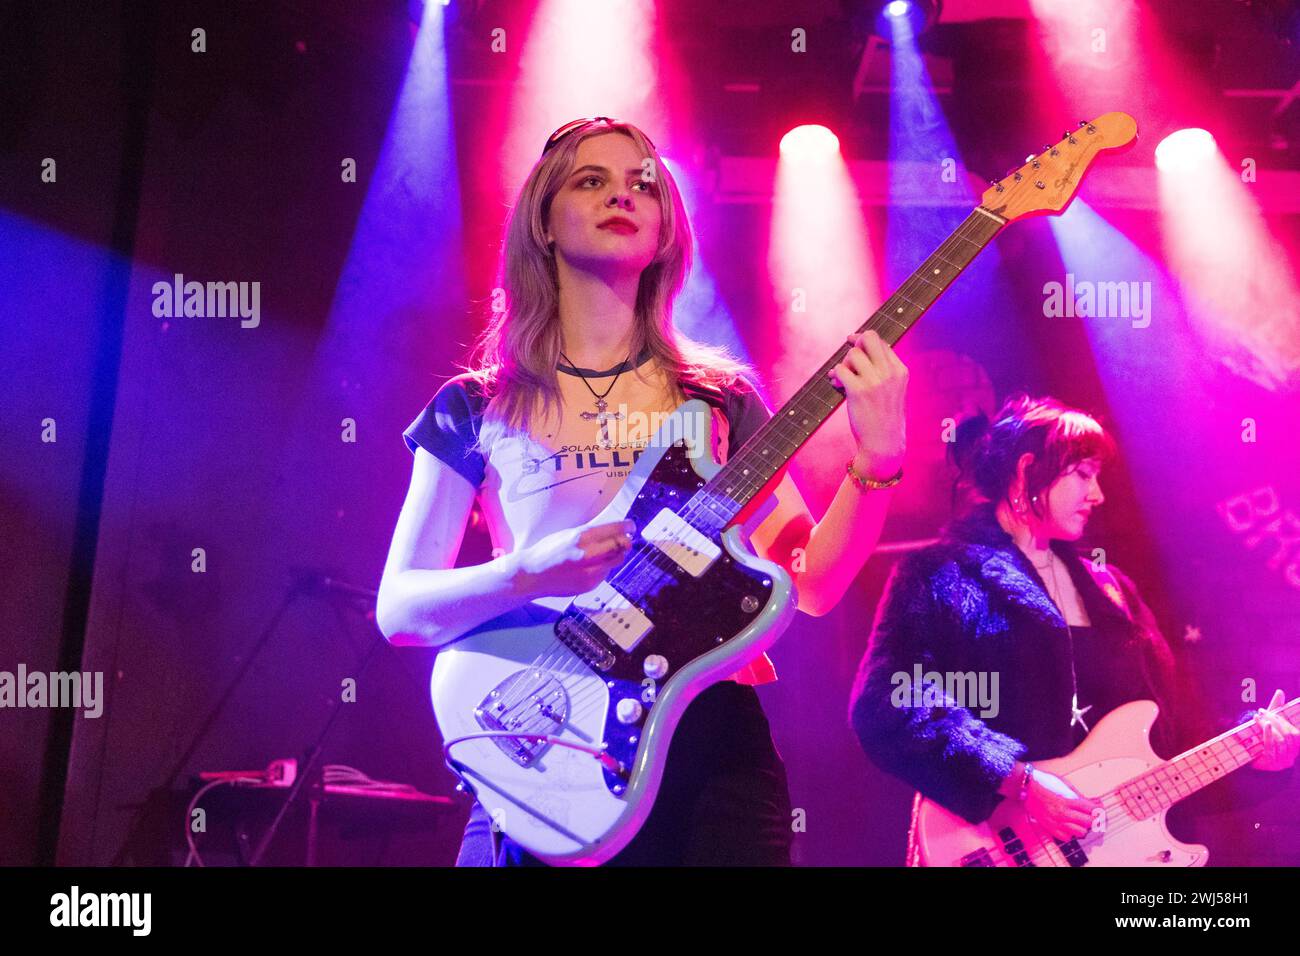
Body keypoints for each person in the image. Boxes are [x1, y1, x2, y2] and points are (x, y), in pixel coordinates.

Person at [377, 117, 910, 865]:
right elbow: (401, 610)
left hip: (710, 749)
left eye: (643, 185)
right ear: (544, 222)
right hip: (546, 731)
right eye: (590, 180)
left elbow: (814, 583)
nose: (621, 195)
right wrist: (530, 572)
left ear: (665, 231)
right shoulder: (477, 404)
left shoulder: (718, 402)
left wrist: (878, 459)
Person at [849, 394, 1299, 864]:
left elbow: (1171, 742)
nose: (1098, 495)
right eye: (1082, 474)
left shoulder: (1111, 588)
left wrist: (1261, 761)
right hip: (990, 845)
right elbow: (890, 702)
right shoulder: (941, 574)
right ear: (1026, 471)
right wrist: (1015, 779)